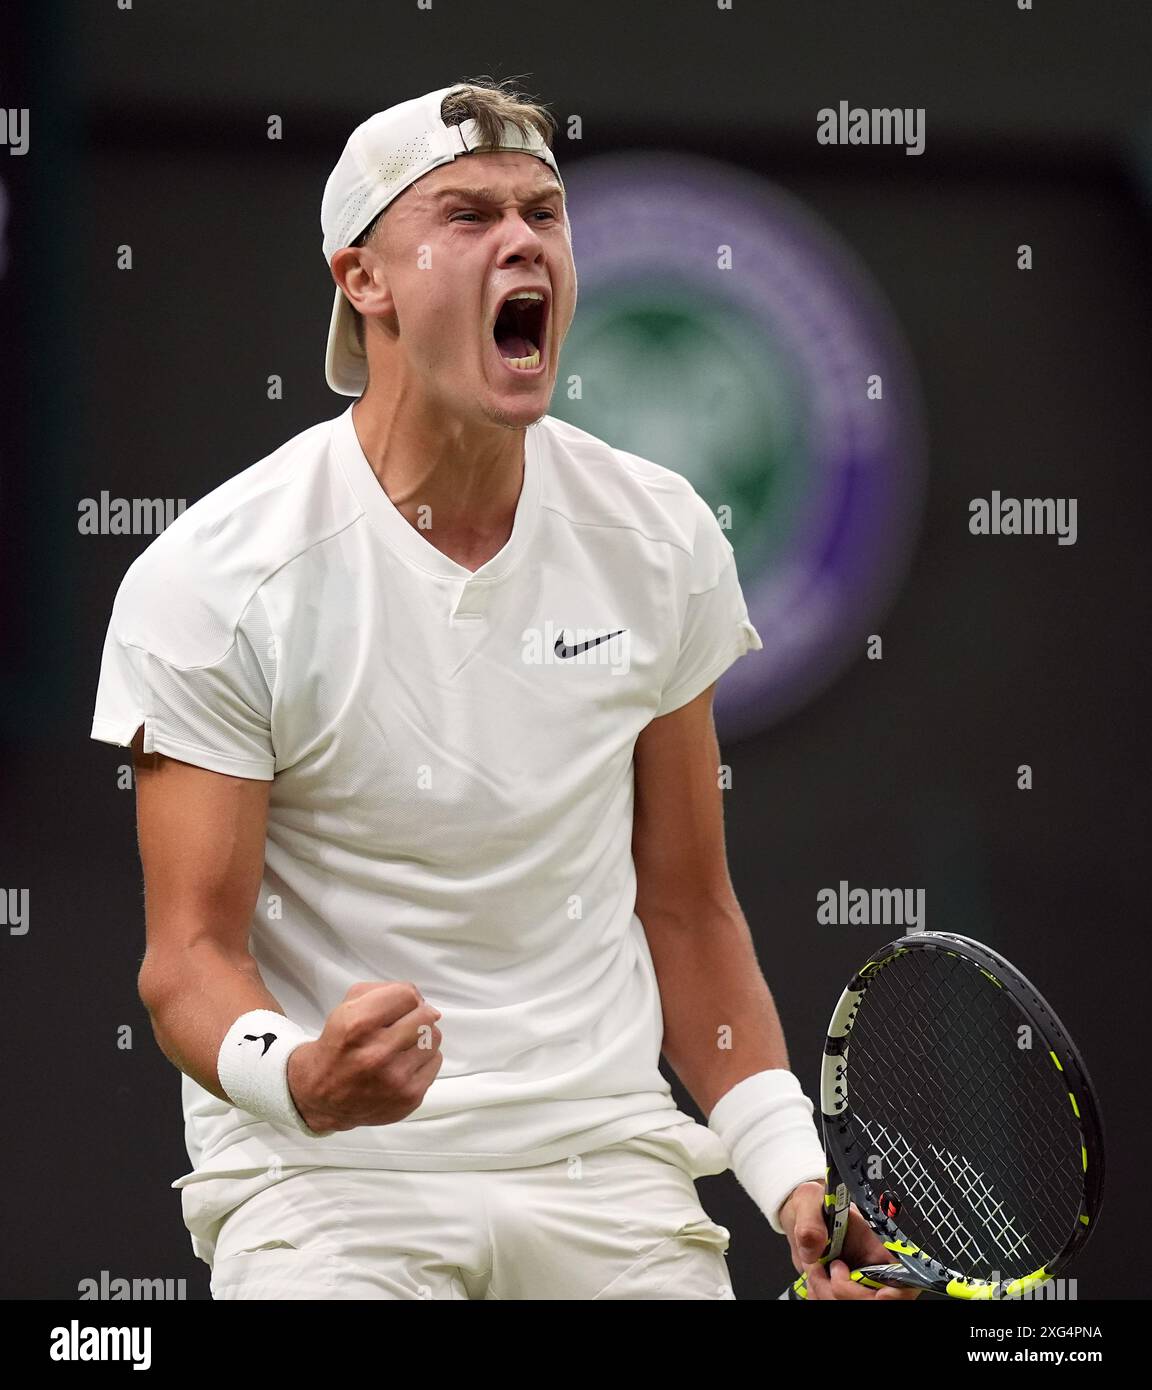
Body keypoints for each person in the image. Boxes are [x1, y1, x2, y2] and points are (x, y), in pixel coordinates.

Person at [90, 77, 917, 1301]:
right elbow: (188, 961)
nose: (524, 238)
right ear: (362, 277)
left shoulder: (661, 535)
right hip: (328, 1188)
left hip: (607, 1171)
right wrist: (301, 1073)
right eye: (469, 214)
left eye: (544, 211)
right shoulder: (216, 576)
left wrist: (799, 1179)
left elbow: (688, 914)